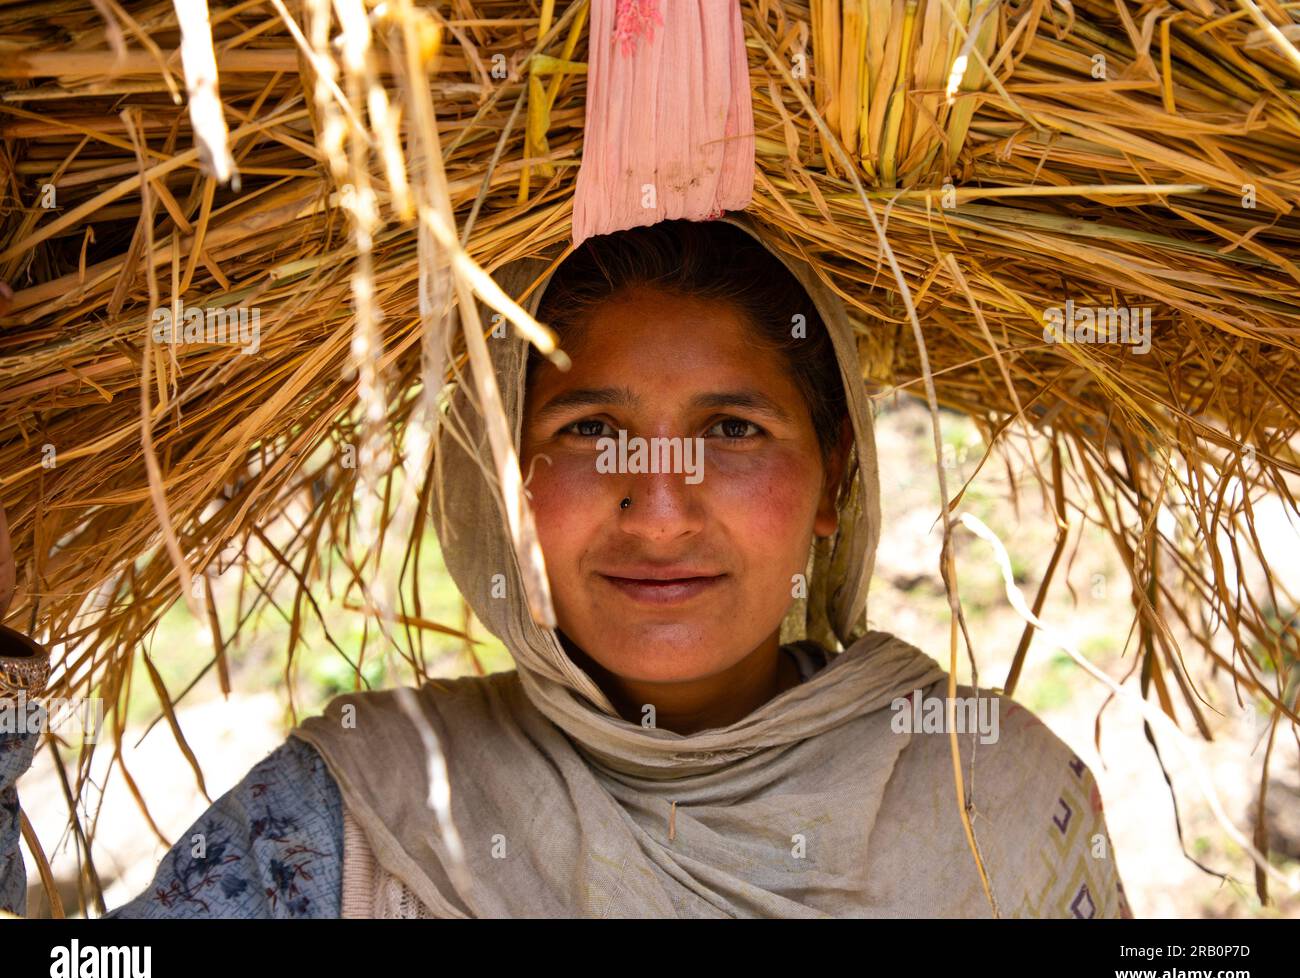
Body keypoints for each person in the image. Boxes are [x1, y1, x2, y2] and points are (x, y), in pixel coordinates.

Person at [0, 213, 1131, 918]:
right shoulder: (354, 814)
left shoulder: (995, 804)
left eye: (733, 430)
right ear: (503, 477)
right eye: (592, 430)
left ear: (834, 479)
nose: (658, 505)